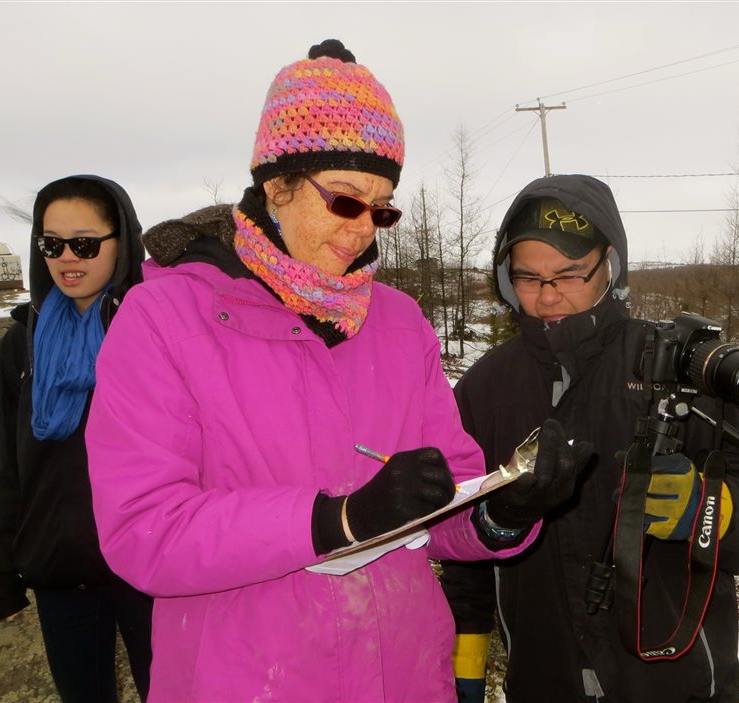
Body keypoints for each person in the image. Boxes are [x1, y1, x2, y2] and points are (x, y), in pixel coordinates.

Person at [83, 40, 586, 702]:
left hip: (400, 677)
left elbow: (446, 503)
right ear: (277, 184)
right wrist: (334, 520)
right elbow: (145, 531)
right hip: (244, 681)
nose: (363, 231)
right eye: (346, 200)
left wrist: (507, 506)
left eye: (382, 208)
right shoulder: (163, 318)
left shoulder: (400, 324)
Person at [440, 174, 739, 703]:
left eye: (570, 274)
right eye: (528, 278)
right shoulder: (485, 388)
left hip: (677, 677)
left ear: (610, 264)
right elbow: (464, 535)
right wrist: (467, 656)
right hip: (543, 676)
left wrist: (706, 509)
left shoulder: (674, 367)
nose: (548, 296)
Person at [0, 175, 153, 702]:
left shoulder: (153, 326)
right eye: (50, 243)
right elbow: (11, 463)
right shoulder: (23, 341)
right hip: (61, 570)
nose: (66, 257)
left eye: (84, 242)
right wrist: (3, 576)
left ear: (121, 240)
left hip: (148, 566)